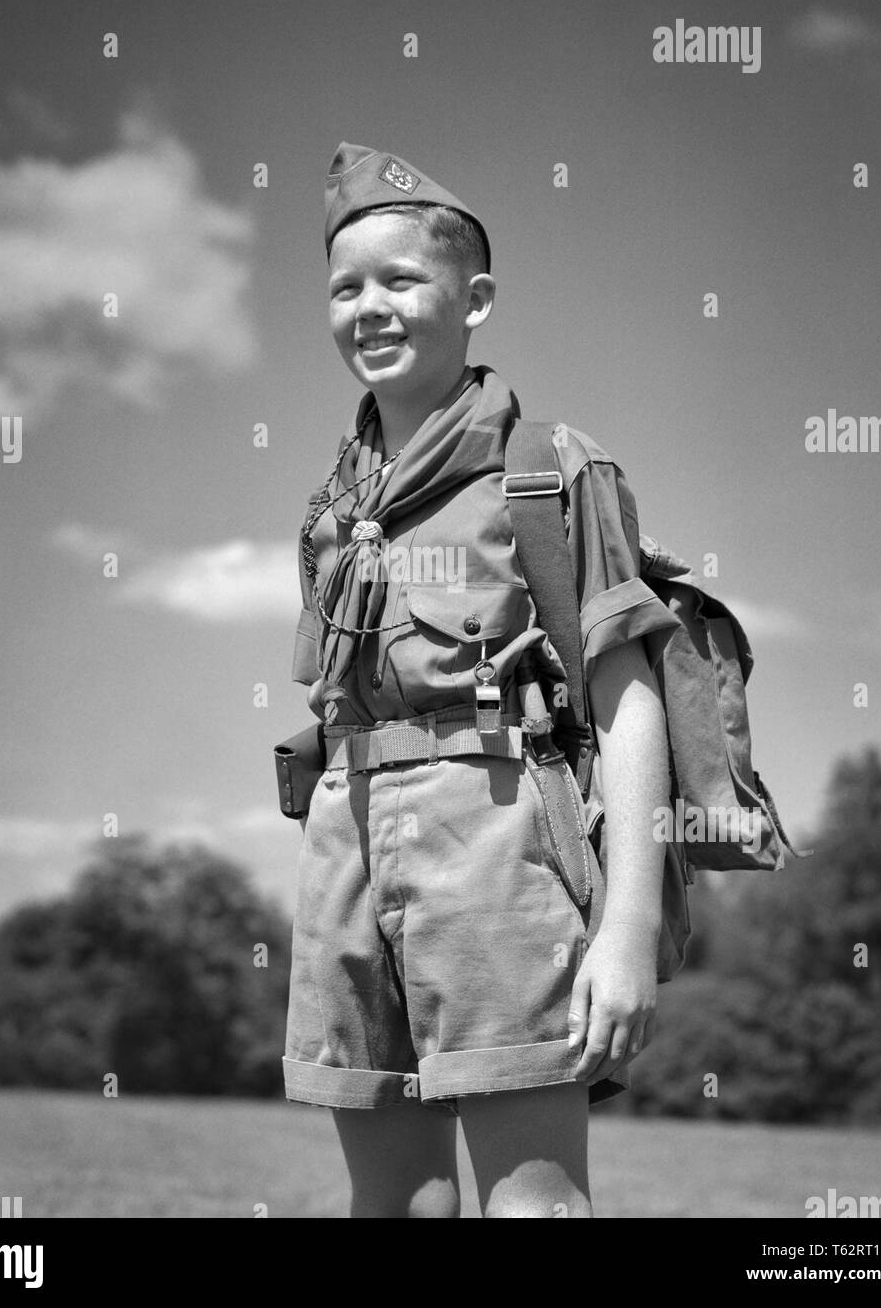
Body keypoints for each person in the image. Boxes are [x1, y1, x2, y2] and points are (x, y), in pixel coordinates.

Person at [282, 141, 681, 1218]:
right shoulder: (332, 507)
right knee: (394, 1206)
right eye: (344, 287)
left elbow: (626, 699)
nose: (369, 307)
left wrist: (628, 927)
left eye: (401, 279)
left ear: (476, 298)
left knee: (533, 1205)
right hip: (343, 843)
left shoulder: (547, 470)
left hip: (499, 838)